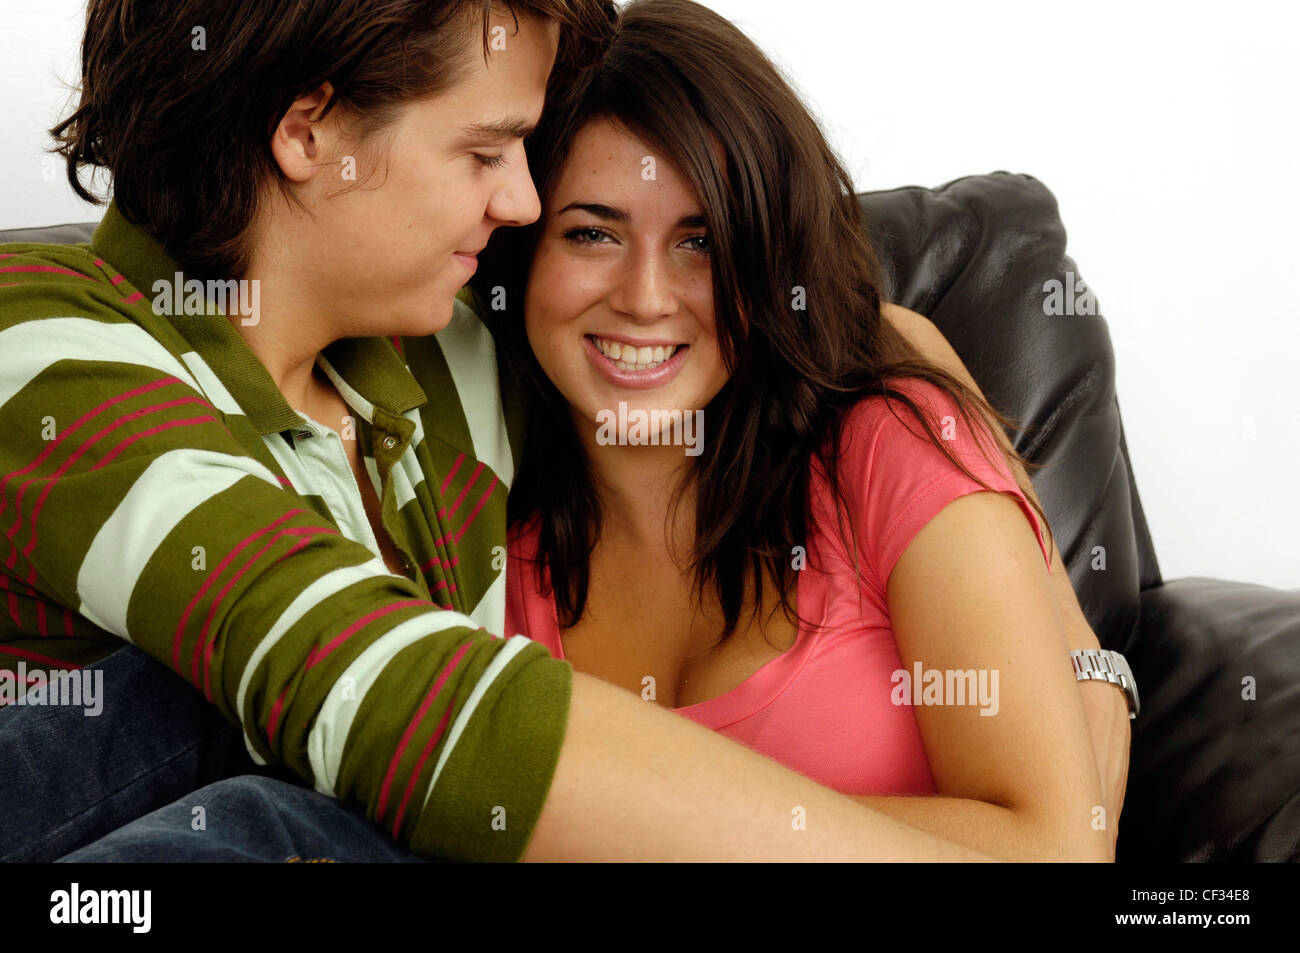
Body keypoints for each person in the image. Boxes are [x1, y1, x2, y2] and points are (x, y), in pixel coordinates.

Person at [0, 0, 1002, 862]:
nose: (518, 197)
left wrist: (1076, 669)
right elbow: (376, 686)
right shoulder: (42, 340)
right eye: (483, 151)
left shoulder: (449, 351)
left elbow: (816, 312)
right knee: (240, 750)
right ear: (310, 131)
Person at [476, 0, 1131, 860]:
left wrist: (632, 816)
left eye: (701, 241)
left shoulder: (884, 439)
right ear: (522, 250)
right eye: (592, 232)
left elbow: (1050, 849)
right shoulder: (484, 546)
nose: (643, 297)